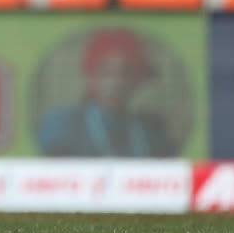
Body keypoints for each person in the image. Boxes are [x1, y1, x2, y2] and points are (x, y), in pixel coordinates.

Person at [36, 28, 174, 157]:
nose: (115, 81)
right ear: (90, 76)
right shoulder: (60, 126)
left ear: (138, 80)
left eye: (125, 72)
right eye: (105, 71)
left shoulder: (150, 131)